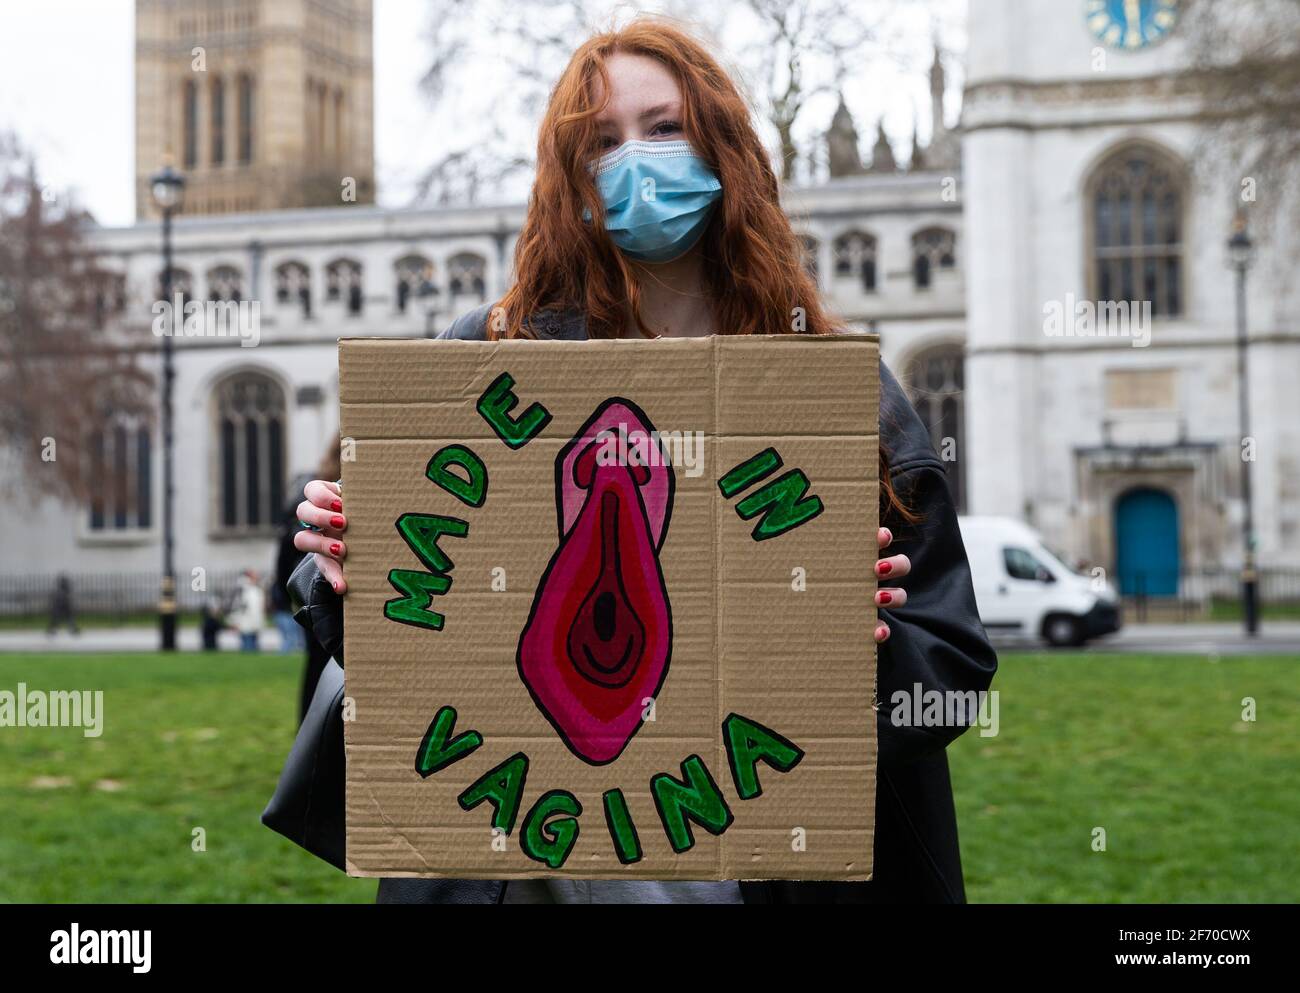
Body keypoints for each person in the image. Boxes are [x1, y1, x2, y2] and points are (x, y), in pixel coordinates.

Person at [288, 17, 997, 904]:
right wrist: (338, 563)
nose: (635, 161)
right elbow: (401, 631)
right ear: (572, 179)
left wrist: (858, 649)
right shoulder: (486, 355)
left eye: (663, 128)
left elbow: (948, 663)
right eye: (601, 143)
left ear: (721, 144)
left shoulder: (834, 385)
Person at [229, 570, 266, 652]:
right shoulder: (242, 590)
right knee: (247, 646)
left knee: (253, 645)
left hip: (255, 622)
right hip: (245, 623)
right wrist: (235, 621)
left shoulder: (257, 590)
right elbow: (237, 607)